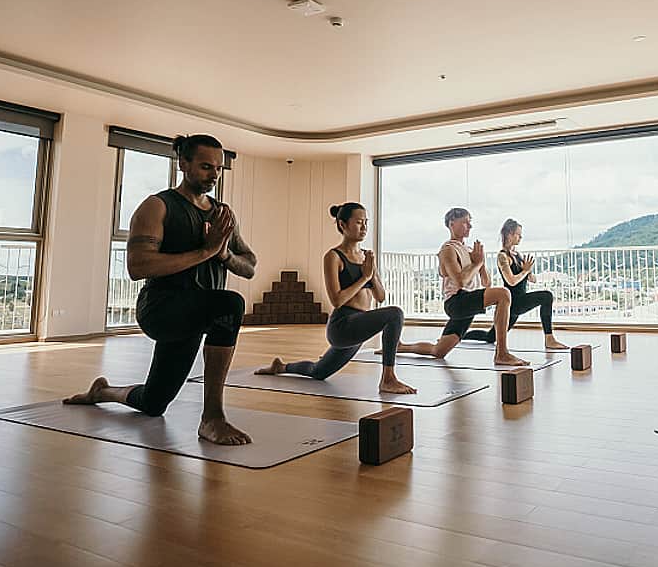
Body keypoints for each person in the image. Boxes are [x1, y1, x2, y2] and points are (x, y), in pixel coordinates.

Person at [64, 134, 258, 445]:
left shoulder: (222, 213)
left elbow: (249, 266)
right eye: (206, 166)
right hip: (162, 309)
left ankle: (102, 391)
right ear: (183, 163)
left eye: (219, 169)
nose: (214, 175)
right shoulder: (158, 206)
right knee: (230, 304)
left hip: (199, 312)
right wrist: (206, 252)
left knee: (154, 403)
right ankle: (213, 418)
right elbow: (138, 267)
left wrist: (223, 253)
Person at [254, 203, 417, 394]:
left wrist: (371, 273)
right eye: (358, 222)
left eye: (366, 222)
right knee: (395, 314)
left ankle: (280, 367)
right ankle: (388, 379)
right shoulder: (333, 257)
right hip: (343, 326)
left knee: (319, 371)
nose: (364, 227)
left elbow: (380, 297)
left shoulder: (367, 257)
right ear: (343, 224)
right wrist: (364, 277)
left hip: (359, 327)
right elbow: (337, 300)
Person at [396, 208, 528, 366]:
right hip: (457, 302)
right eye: (465, 222)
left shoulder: (470, 250)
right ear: (452, 224)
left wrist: (481, 262)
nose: (470, 226)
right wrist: (476, 263)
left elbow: (486, 283)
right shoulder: (448, 249)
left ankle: (400, 347)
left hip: (468, 302)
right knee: (504, 294)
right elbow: (460, 282)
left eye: (470, 222)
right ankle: (502, 353)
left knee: (438, 351)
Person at [463, 219, 567, 350]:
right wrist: (525, 271)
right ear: (509, 234)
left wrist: (529, 272)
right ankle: (549, 339)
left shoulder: (518, 255)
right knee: (547, 296)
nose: (521, 237)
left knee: (490, 337)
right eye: (518, 234)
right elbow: (511, 280)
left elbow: (532, 279)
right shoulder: (502, 256)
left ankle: (459, 336)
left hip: (518, 301)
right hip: (512, 302)